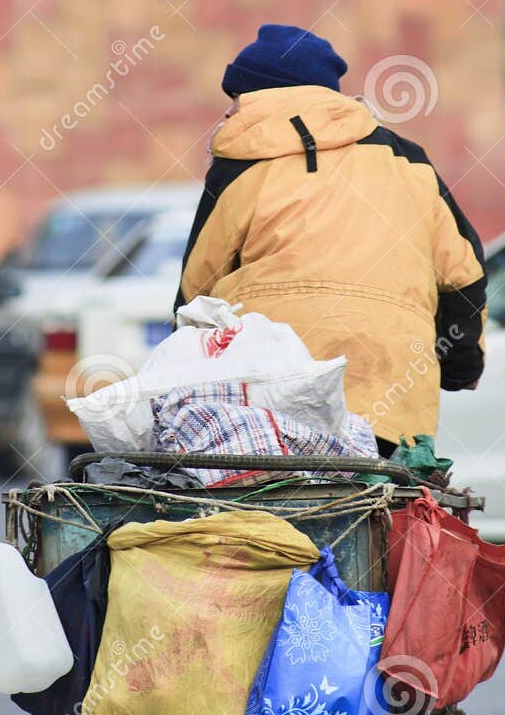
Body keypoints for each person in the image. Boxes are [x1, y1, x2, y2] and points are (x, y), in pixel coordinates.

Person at [175, 24, 485, 453]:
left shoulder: (240, 165)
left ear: (257, 97)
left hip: (266, 406)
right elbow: (464, 278)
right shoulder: (409, 161)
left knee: (258, 507)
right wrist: (459, 364)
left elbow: (195, 296)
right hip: (391, 400)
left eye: (237, 100)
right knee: (380, 508)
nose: (230, 114)